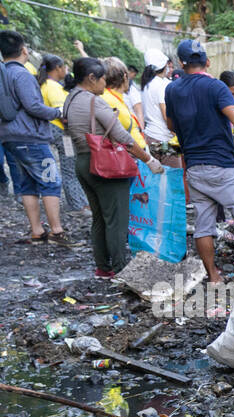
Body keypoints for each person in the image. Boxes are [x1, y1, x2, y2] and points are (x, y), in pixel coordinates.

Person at [164, 39, 234, 285]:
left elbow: (172, 126)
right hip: (223, 166)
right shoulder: (215, 87)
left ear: (181, 63)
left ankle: (214, 276)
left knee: (204, 224)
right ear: (206, 61)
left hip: (194, 167)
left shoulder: (172, 90)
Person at [63, 57, 162, 277]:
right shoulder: (93, 101)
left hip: (82, 161)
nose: (104, 85)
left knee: (99, 217)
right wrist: (149, 159)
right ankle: (120, 268)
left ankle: (103, 267)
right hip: (104, 164)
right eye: (102, 80)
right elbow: (121, 136)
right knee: (117, 219)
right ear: (91, 78)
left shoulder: (70, 99)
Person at [1, 32, 69, 244]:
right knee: (50, 182)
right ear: (23, 50)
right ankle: (57, 232)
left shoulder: (3, 74)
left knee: (26, 184)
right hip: (30, 138)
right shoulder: (21, 75)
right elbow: (33, 106)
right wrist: (57, 112)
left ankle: (37, 231)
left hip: (9, 138)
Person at [37, 54, 89, 214]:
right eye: (64, 67)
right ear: (58, 68)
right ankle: (77, 205)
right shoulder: (52, 87)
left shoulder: (48, 84)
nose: (66, 70)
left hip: (57, 130)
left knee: (70, 167)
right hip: (62, 132)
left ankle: (80, 202)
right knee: (69, 168)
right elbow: (63, 113)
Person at [101, 58, 146, 150]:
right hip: (131, 155)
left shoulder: (110, 96)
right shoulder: (110, 100)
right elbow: (123, 135)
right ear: (125, 77)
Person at [139, 49, 175, 150]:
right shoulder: (162, 85)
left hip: (150, 135)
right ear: (164, 66)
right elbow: (166, 115)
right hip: (163, 138)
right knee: (173, 166)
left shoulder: (146, 84)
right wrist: (176, 133)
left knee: (157, 166)